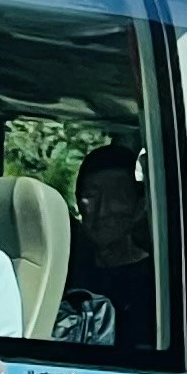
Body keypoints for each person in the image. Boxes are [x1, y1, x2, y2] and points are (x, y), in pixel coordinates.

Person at [57, 141, 158, 355]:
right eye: (91, 197)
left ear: (140, 207)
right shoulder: (58, 268)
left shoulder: (156, 283)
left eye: (116, 198)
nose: (102, 211)